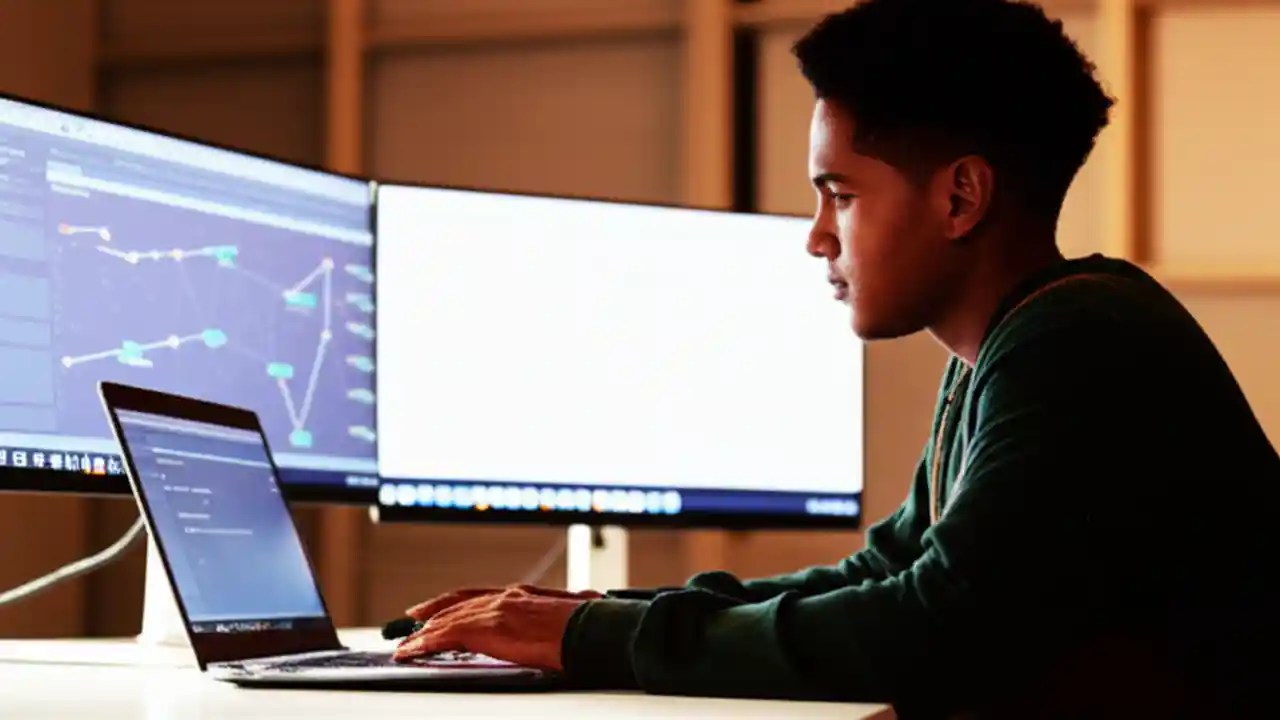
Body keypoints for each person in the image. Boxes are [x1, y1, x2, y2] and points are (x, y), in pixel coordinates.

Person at [392, 0, 1278, 715]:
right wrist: (608, 614)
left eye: (840, 195)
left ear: (961, 196)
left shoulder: (1078, 343)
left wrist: (599, 639)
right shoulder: (1015, 343)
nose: (818, 238)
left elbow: (929, 626)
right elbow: (887, 573)